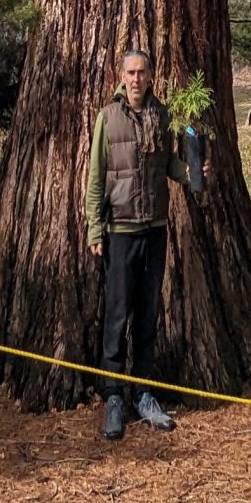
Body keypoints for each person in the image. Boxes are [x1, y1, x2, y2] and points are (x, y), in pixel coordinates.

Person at [85, 45, 200, 441]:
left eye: (142, 72)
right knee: (117, 316)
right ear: (122, 77)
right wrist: (94, 230)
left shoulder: (161, 115)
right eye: (130, 72)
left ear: (151, 77)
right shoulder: (107, 118)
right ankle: (114, 395)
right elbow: (96, 178)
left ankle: (144, 393)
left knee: (148, 315)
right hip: (119, 232)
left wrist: (191, 173)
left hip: (155, 231)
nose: (136, 79)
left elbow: (167, 163)